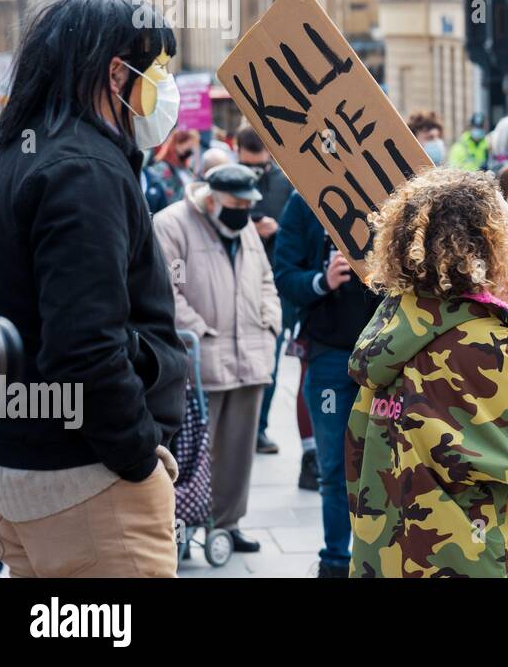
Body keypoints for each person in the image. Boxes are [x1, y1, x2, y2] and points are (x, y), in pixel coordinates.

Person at [0, 0, 187, 577]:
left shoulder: (13, 158)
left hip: (18, 469)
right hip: (88, 482)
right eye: (157, 66)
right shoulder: (85, 170)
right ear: (117, 74)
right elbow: (83, 347)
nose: (164, 83)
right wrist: (138, 457)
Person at [348, 167, 508, 577]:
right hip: (486, 559)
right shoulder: (487, 345)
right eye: (507, 228)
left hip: (395, 557)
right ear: (486, 247)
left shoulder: (389, 332)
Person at [153, 163, 280, 554]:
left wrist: (270, 322)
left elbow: (265, 278)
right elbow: (165, 290)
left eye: (247, 205)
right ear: (211, 200)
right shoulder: (172, 224)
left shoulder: (244, 228)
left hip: (250, 357)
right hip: (201, 360)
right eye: (236, 204)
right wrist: (199, 330)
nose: (243, 212)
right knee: (193, 453)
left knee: (239, 451)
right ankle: (181, 525)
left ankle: (228, 524)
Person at [274, 189, 381, 576]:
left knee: (384, 466)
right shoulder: (304, 201)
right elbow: (285, 276)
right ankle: (335, 558)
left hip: (387, 357)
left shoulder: (388, 192)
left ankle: (377, 558)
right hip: (330, 359)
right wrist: (323, 280)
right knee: (334, 465)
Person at [235, 126, 298, 453]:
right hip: (235, 283)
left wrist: (277, 229)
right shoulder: (226, 181)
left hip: (273, 284)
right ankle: (237, 430)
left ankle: (258, 429)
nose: (255, 172)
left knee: (269, 362)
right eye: (248, 166)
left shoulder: (285, 183)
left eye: (260, 166)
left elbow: (297, 234)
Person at [144, 127, 199, 213]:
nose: (190, 151)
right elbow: (167, 197)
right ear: (177, 144)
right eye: (188, 146)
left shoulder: (186, 169)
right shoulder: (161, 168)